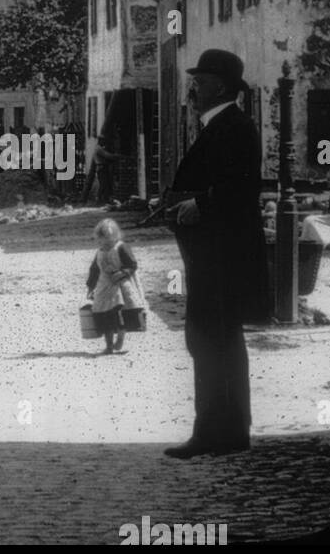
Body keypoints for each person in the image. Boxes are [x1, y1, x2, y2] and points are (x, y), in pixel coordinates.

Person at [163, 49, 267, 459]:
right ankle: (227, 431)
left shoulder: (235, 127)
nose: (192, 90)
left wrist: (200, 204)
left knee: (210, 341)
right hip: (213, 256)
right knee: (215, 341)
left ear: (219, 86)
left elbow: (241, 188)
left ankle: (215, 432)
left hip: (222, 258)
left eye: (199, 82)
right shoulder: (220, 126)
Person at [85, 217, 143, 354]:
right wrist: (90, 286)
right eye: (101, 242)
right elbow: (94, 270)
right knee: (105, 316)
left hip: (120, 286)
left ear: (115, 237)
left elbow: (132, 265)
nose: (105, 245)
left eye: (108, 242)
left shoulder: (121, 247)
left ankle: (121, 337)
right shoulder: (99, 252)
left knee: (120, 315)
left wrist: (124, 272)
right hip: (104, 288)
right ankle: (109, 345)